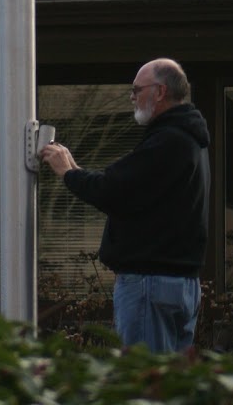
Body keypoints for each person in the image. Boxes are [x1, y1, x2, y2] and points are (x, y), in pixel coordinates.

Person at [40, 58, 210, 352]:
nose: (132, 96)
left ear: (159, 92)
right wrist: (75, 170)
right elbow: (130, 192)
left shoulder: (167, 142)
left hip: (150, 284)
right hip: (181, 286)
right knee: (172, 386)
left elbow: (112, 190)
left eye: (136, 89)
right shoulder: (189, 140)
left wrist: (67, 173)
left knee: (145, 385)